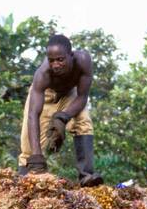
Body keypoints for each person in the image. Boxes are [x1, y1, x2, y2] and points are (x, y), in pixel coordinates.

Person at [18, 33, 103, 186]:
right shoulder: (42, 75)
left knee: (83, 120)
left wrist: (63, 117)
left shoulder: (83, 61)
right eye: (51, 61)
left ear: (71, 55)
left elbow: (82, 97)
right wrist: (37, 157)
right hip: (46, 96)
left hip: (70, 95)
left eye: (60, 60)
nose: (55, 65)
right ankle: (24, 183)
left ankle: (86, 176)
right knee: (28, 149)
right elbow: (33, 115)